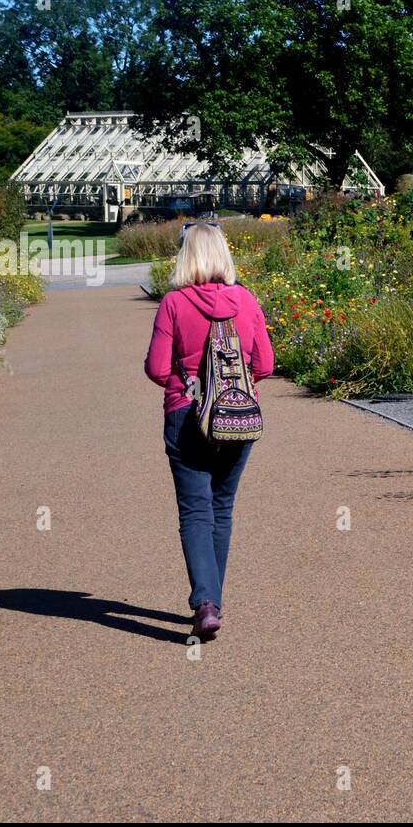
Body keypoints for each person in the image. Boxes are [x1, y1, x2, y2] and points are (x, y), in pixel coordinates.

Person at [144, 222, 274, 640]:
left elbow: (158, 369)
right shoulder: (246, 300)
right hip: (237, 418)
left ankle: (206, 603)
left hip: (186, 416)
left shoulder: (174, 304)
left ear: (185, 257)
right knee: (221, 508)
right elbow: (265, 365)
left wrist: (189, 381)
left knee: (195, 511)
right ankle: (212, 601)